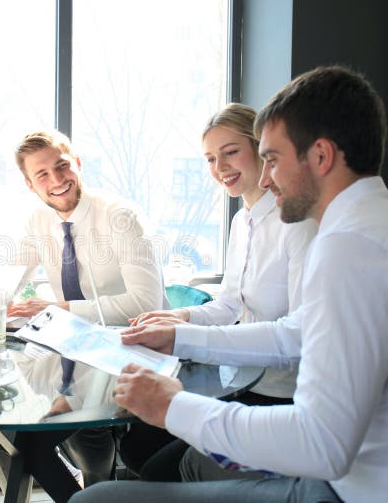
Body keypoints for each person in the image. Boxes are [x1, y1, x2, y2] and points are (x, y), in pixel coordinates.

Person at [70, 66, 388, 503]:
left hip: (362, 490)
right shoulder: (377, 222)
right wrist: (180, 335)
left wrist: (173, 406)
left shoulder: (352, 243)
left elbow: (320, 443)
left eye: (272, 159)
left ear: (321, 156)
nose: (267, 177)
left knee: (96, 499)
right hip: (367, 475)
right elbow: (295, 332)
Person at [119, 103, 317, 479]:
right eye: (210, 158)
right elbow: (229, 303)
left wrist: (182, 335)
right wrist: (180, 316)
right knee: (137, 445)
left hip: (280, 394)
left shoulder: (296, 223)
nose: (219, 168)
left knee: (158, 467)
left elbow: (297, 332)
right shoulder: (241, 222)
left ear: (261, 150)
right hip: (242, 379)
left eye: (230, 153)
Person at [8, 130, 167, 490]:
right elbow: (9, 280)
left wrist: (59, 307)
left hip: (132, 347)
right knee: (31, 411)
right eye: (42, 175)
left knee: (63, 432)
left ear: (77, 164)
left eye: (62, 166)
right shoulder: (37, 222)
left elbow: (145, 303)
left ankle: (96, 481)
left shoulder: (120, 217)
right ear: (30, 185)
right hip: (77, 354)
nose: (57, 180)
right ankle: (93, 477)